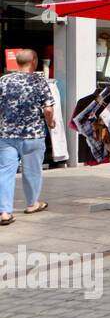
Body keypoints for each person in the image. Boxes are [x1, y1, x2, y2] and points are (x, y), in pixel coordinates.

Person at [0, 48, 55, 225]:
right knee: (32, 171)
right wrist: (51, 122)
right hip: (32, 135)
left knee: (5, 172)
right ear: (34, 62)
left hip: (7, 134)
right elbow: (48, 109)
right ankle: (32, 204)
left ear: (17, 62)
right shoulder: (39, 81)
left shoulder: (4, 80)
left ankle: (4, 212)